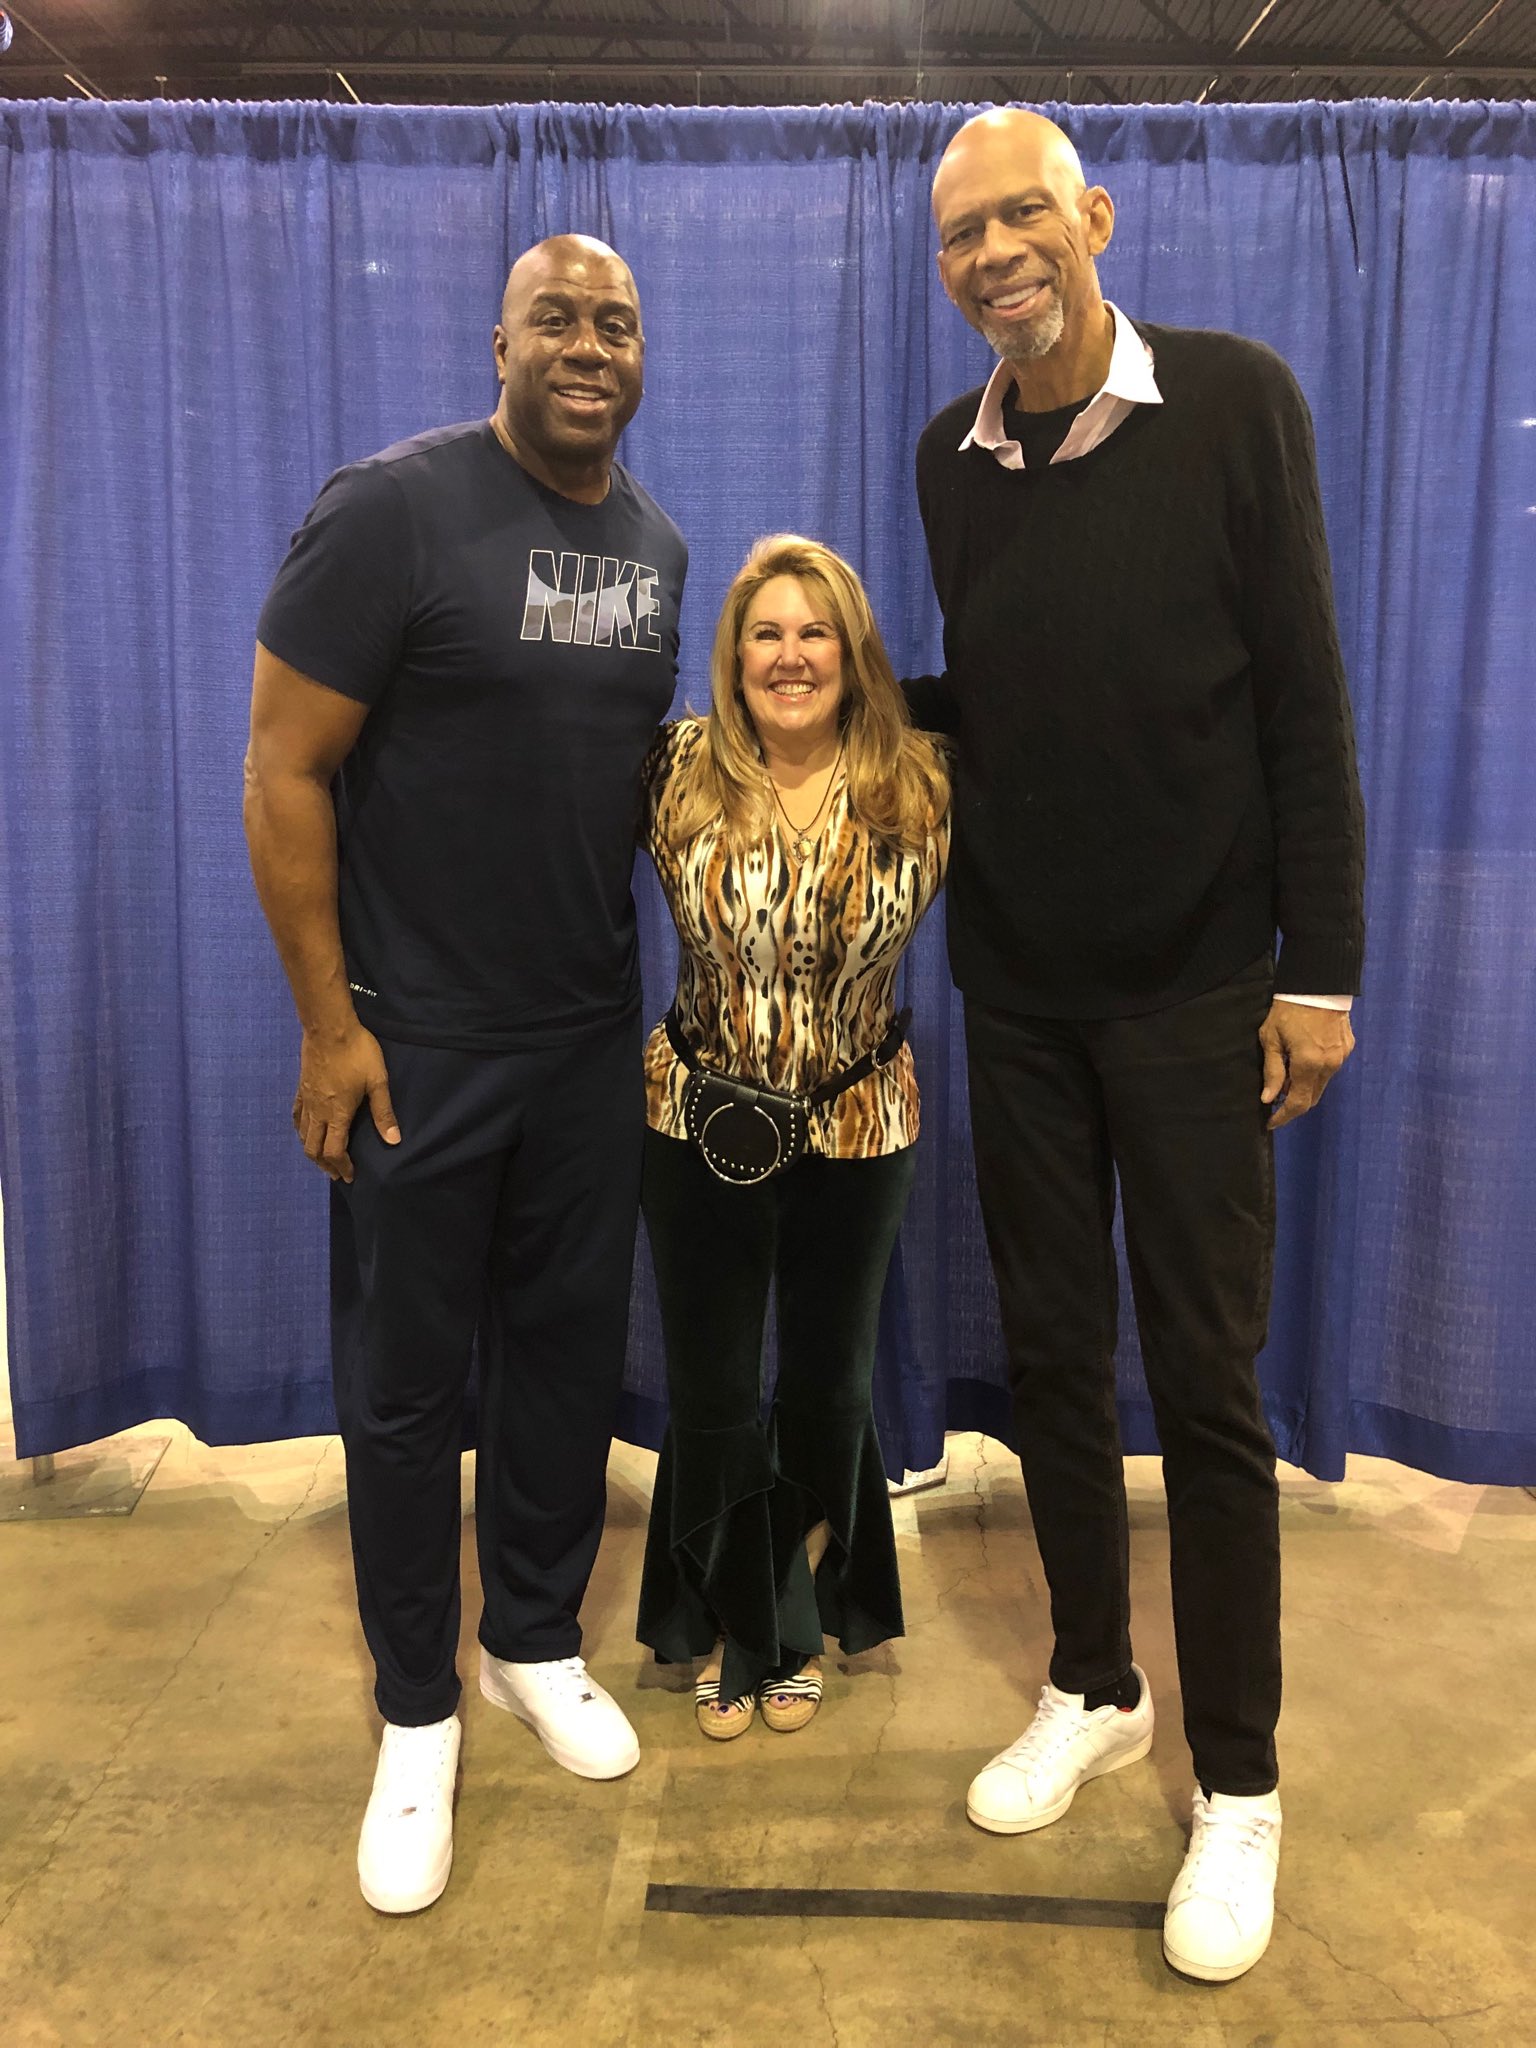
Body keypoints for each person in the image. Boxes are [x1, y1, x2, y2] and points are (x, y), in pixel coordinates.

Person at [912, 110, 1365, 1981]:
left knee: (1205, 1384)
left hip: (1197, 995)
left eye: (1025, 211)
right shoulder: (950, 459)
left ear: (1093, 217)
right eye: (961, 233)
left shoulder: (1239, 405)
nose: (998, 250)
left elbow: (1303, 702)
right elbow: (1011, 687)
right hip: (1015, 989)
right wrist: (830, 695)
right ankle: (1092, 1680)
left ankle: (1236, 1776)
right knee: (1047, 1360)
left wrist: (1316, 972)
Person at [243, 235, 687, 1914]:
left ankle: (530, 1645)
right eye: (558, 318)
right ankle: (416, 1708)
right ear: (498, 335)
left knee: (567, 1355)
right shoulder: (390, 511)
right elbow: (282, 774)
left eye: (617, 322)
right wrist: (329, 1028)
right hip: (415, 1041)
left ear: (643, 355)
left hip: (584, 1034)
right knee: (409, 1383)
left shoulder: (655, 544)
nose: (589, 343)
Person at [636, 535, 950, 1739]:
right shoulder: (673, 769)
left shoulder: (921, 780)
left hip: (861, 1127)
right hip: (695, 1119)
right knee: (715, 1390)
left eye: (814, 630)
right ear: (734, 654)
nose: (790, 654)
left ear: (852, 647)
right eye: (765, 632)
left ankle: (801, 1611)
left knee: (828, 1384)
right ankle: (738, 1625)